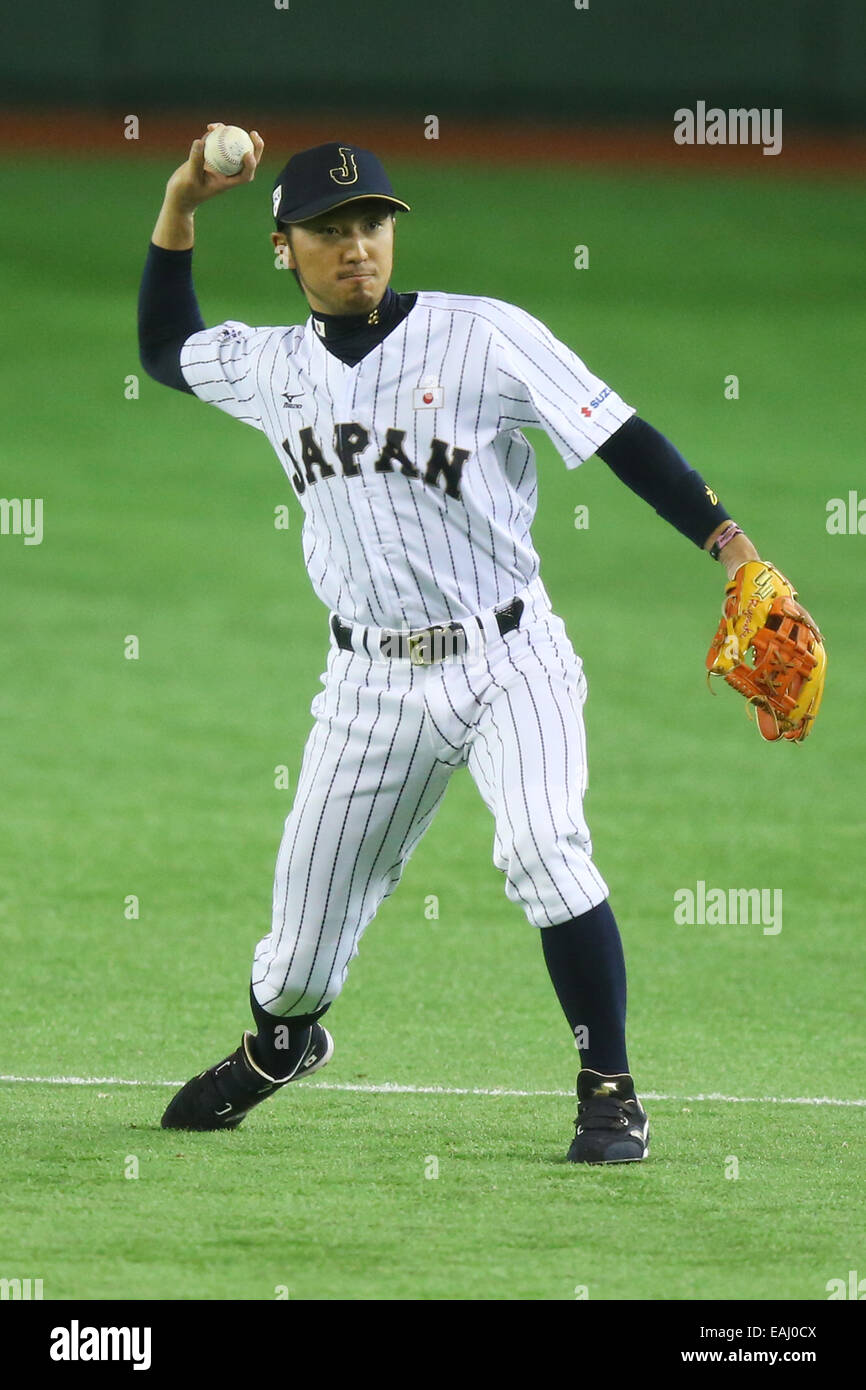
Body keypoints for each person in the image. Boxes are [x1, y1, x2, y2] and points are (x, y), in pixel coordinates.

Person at [138, 125, 760, 1162]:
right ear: (284, 248)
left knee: (543, 850)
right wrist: (179, 204)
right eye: (329, 229)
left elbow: (620, 437)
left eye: (372, 221)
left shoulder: (485, 336)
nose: (358, 245)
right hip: (365, 686)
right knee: (292, 961)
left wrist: (730, 546)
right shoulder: (268, 366)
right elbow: (165, 349)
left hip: (507, 658)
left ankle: (607, 1088)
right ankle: (278, 1047)